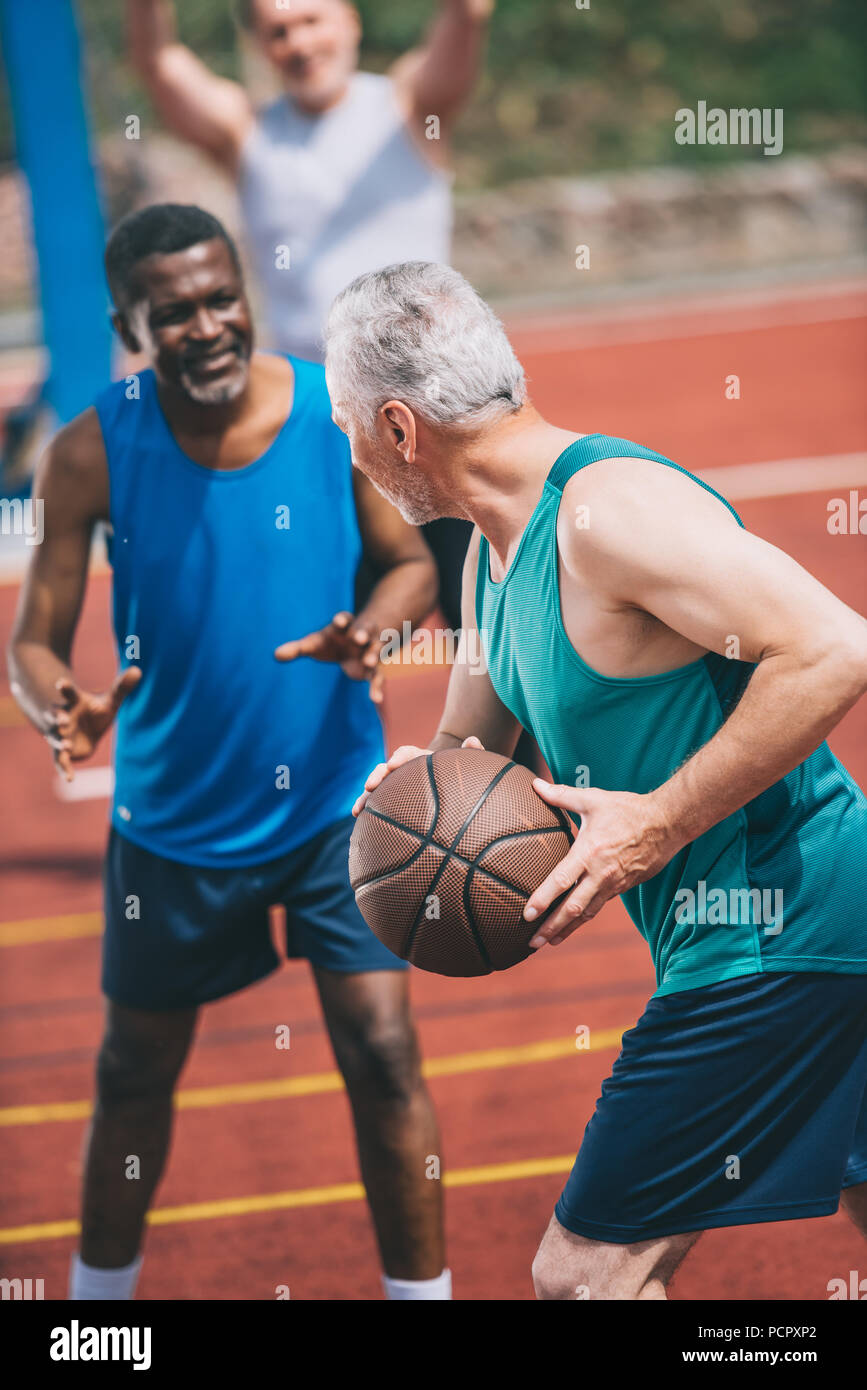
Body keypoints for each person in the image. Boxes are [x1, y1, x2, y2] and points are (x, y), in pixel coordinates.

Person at [330, 260, 867, 1300]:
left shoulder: (605, 513)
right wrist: (412, 789)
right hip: (808, 923)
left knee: (582, 1277)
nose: (349, 454)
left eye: (348, 426)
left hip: (775, 933)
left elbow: (836, 649)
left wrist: (654, 823)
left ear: (398, 428)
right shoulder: (499, 550)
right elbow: (467, 762)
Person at [7, 207, 452, 1302]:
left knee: (386, 1055)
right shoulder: (89, 451)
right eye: (174, 312)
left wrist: (372, 627)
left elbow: (410, 564)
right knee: (131, 1073)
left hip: (335, 807)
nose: (207, 326)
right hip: (173, 826)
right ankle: (93, 1316)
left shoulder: (329, 415)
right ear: (128, 322)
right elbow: (33, 639)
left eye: (221, 299)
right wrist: (57, 700)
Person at [126, 0, 498, 670]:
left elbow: (463, 23)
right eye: (278, 30)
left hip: (435, 415)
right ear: (262, 46)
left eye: (312, 21)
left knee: (488, 631)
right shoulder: (247, 131)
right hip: (322, 426)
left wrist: (467, 14)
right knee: (325, 634)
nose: (298, 42)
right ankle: (338, 775)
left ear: (350, 21)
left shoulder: (409, 104)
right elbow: (157, 62)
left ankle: (521, 776)